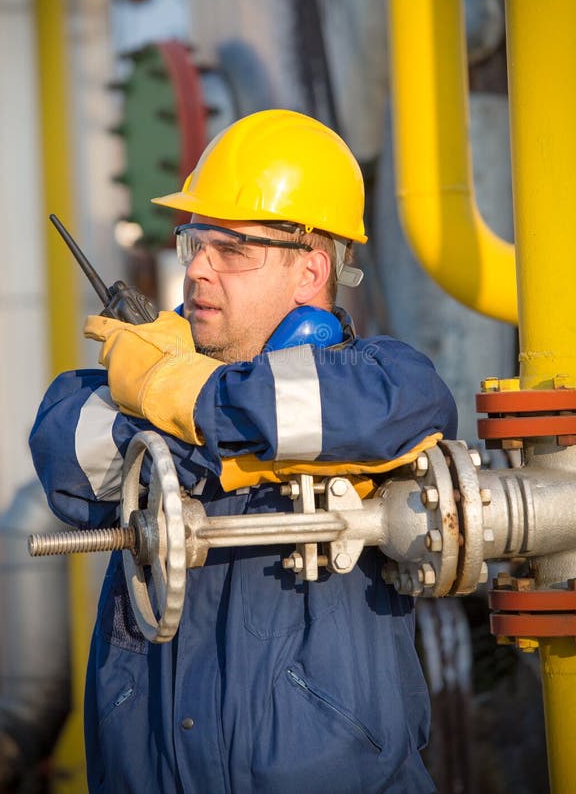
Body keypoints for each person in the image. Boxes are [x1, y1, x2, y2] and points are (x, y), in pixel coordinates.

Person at [30, 109, 457, 793]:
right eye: (193, 241)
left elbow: (388, 411)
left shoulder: (383, 381)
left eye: (230, 249)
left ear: (310, 270)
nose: (198, 268)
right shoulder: (134, 381)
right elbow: (64, 450)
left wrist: (184, 401)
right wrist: (239, 437)